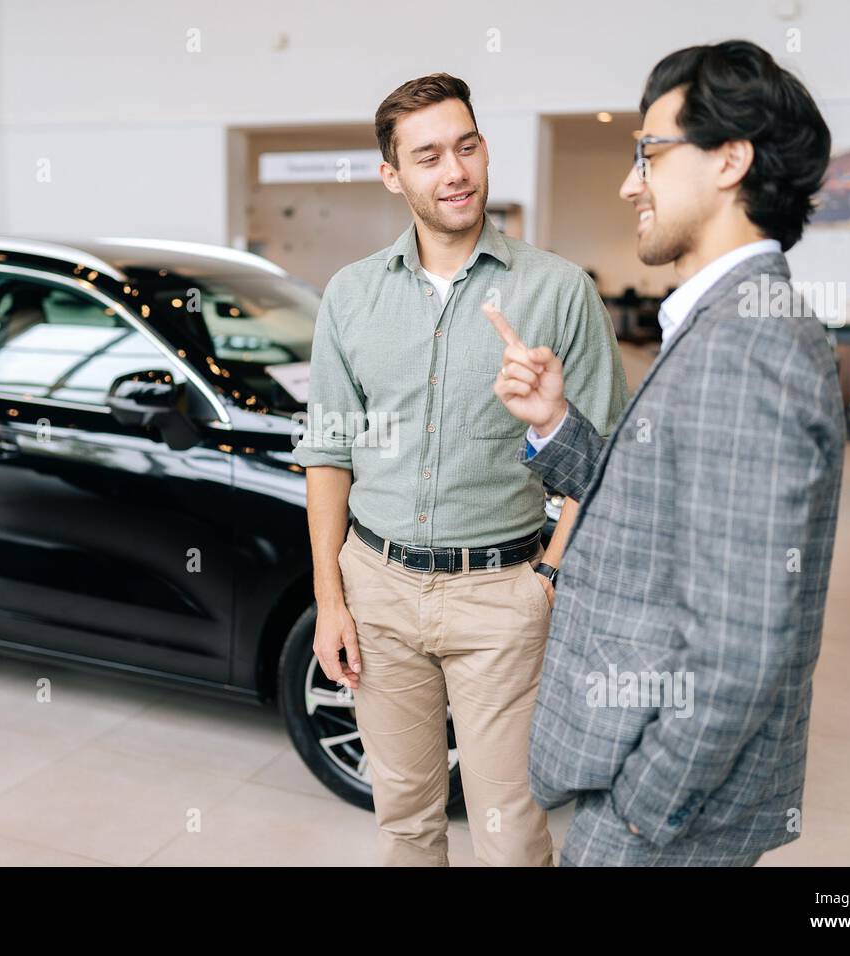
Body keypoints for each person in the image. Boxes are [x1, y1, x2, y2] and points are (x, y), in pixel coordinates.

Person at [486, 39, 842, 866]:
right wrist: (555, 423)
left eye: (649, 153)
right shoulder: (727, 324)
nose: (628, 182)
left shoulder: (750, 344)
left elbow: (745, 647)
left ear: (730, 160)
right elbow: (651, 522)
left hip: (666, 821)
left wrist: (643, 812)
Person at [292, 72, 627, 866]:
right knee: (405, 822)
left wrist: (548, 578)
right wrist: (331, 599)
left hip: (503, 597)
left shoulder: (558, 289)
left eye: (468, 146)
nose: (456, 172)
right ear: (393, 174)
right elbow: (329, 453)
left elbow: (611, 459)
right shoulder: (351, 296)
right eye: (430, 155)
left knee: (511, 836)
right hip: (376, 589)